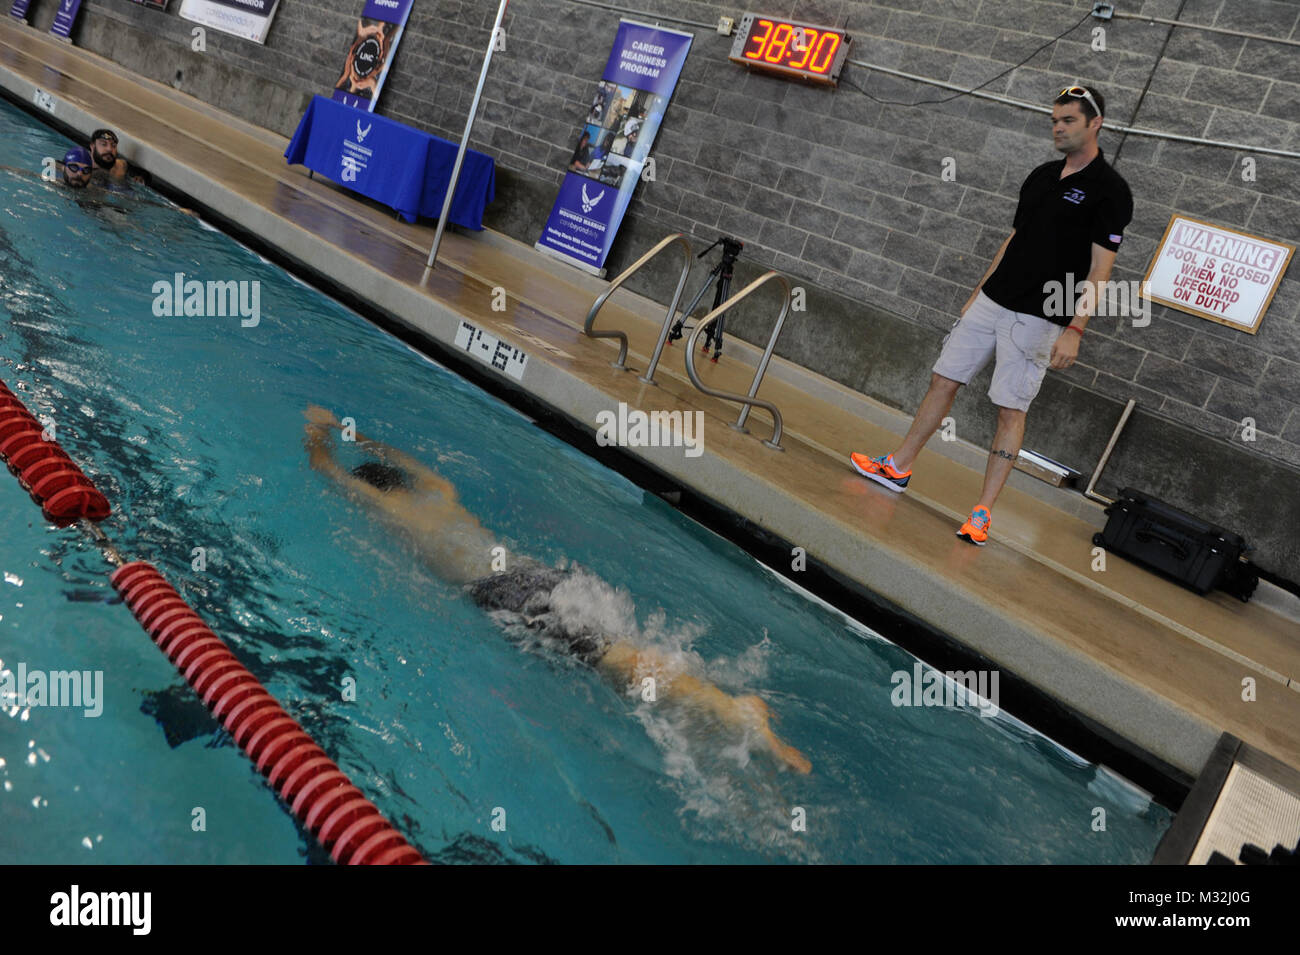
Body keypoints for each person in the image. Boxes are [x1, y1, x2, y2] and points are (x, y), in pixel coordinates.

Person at [302, 405, 811, 774]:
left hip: (508, 595)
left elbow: (326, 471)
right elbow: (405, 461)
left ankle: (736, 712)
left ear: (377, 492)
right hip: (539, 573)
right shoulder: (439, 494)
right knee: (621, 654)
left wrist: (315, 439)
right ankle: (713, 699)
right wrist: (345, 426)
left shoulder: (395, 514)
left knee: (613, 662)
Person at [850, 84, 1133, 546]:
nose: (1058, 128)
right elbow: (1014, 240)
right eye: (1054, 120)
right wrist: (978, 290)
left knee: (1009, 409)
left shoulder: (1110, 191)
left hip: (1043, 316)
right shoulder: (1042, 175)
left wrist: (1075, 329)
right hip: (994, 299)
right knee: (943, 379)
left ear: (1094, 123)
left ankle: (981, 513)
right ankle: (898, 467)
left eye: (1068, 121)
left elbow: (1100, 270)